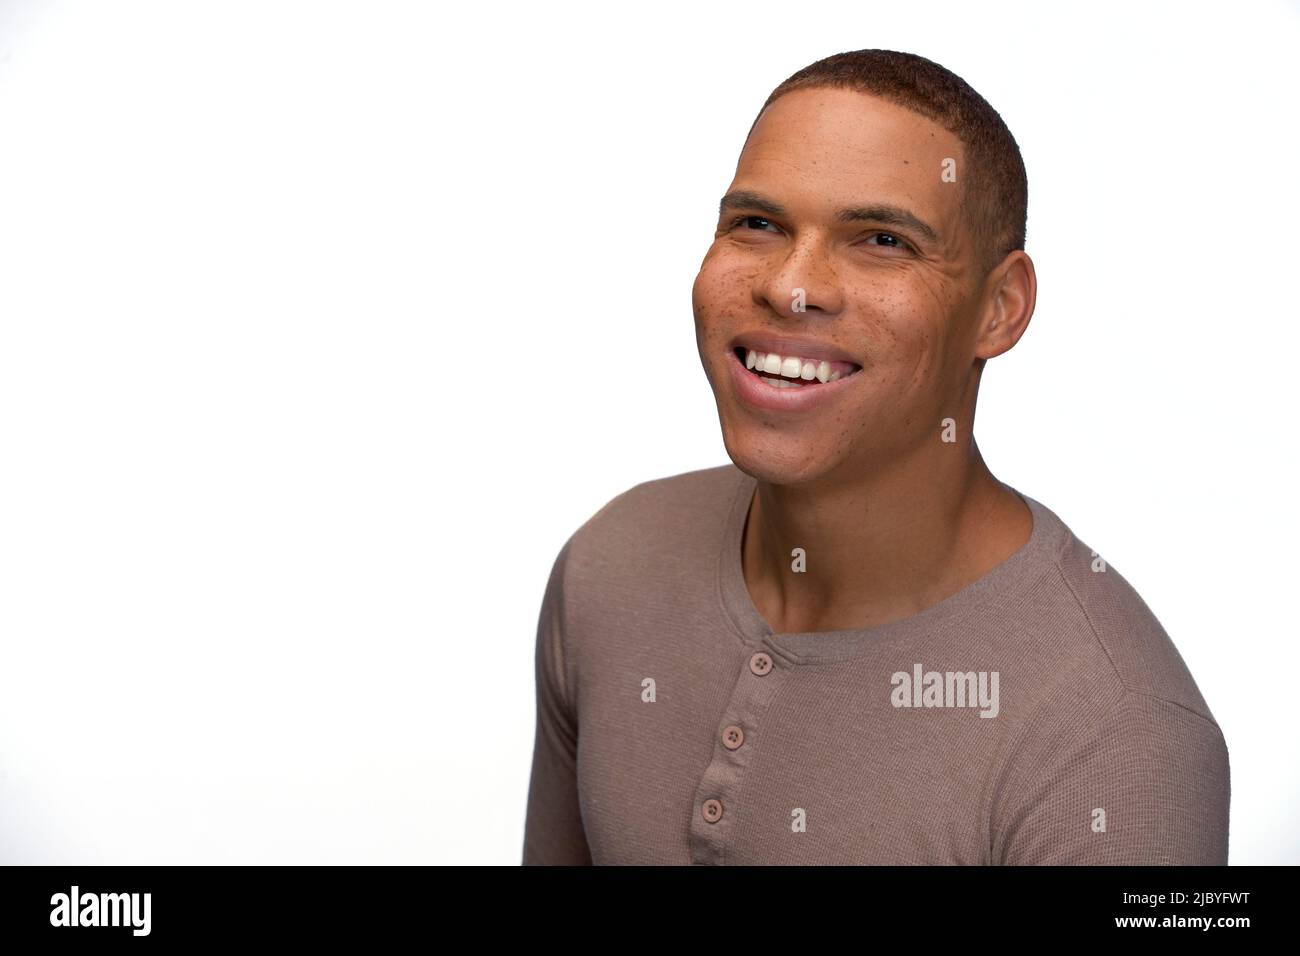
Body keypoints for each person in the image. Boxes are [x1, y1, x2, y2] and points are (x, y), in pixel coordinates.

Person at [522, 49, 1229, 865]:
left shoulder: (1117, 741)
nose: (791, 286)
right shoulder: (609, 567)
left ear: (999, 308)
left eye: (883, 240)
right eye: (757, 224)